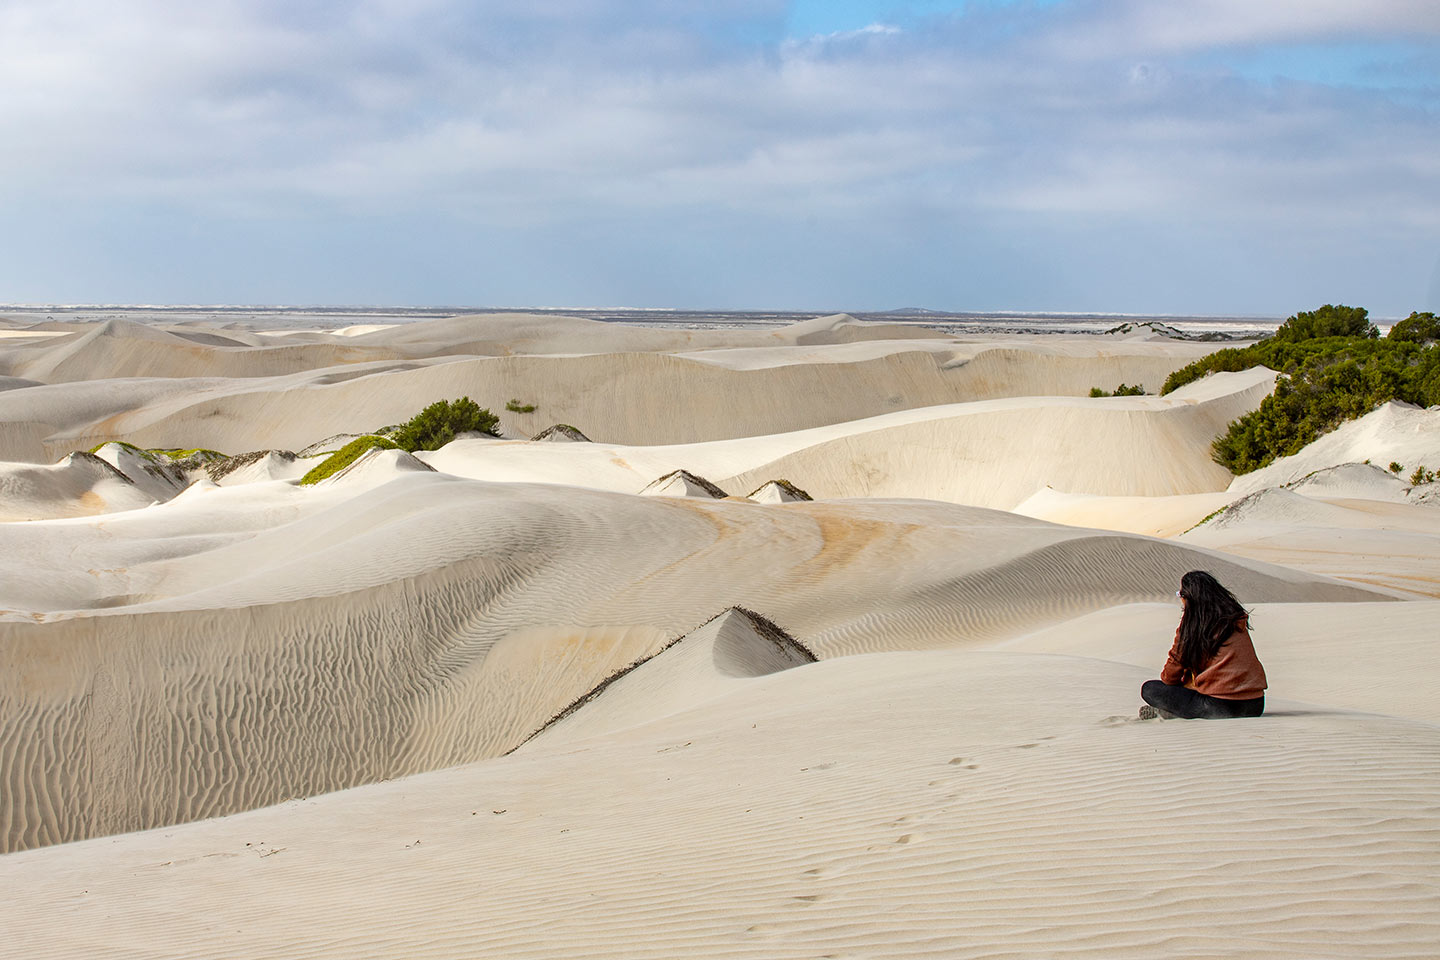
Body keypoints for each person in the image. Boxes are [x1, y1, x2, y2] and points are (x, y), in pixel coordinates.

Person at [1139, 570, 1266, 720]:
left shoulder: (1193, 626)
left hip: (1219, 706)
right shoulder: (1236, 620)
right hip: (1255, 705)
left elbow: (1170, 676)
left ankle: (1171, 712)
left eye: (1180, 595)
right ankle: (1174, 711)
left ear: (1188, 598)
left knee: (1150, 689)